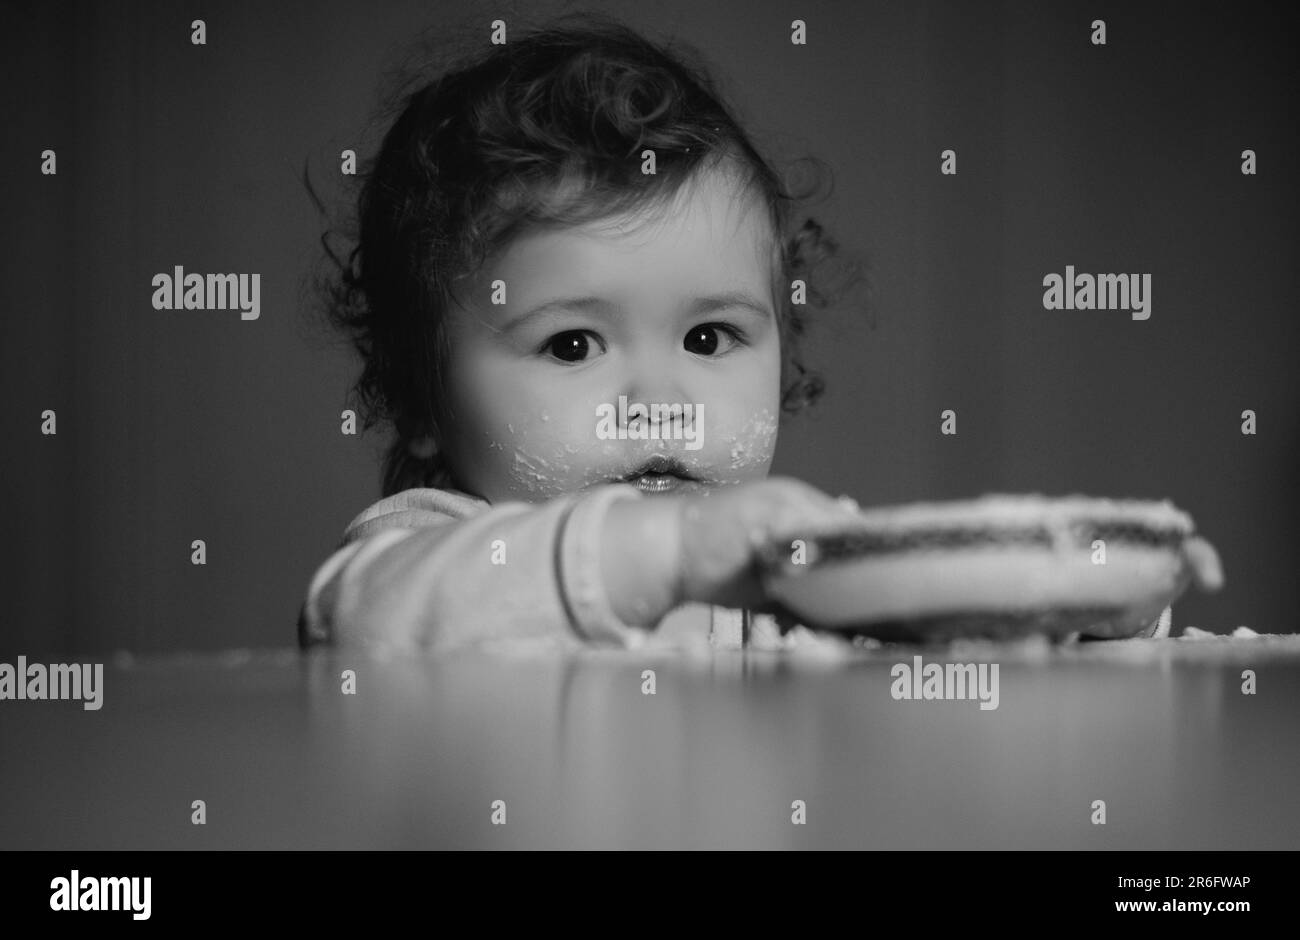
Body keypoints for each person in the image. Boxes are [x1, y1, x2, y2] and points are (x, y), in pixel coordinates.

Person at [299, 13, 863, 652]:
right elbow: (355, 622)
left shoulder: (780, 601)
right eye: (572, 345)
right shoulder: (433, 550)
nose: (658, 409)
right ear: (419, 398)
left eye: (707, 338)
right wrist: (669, 554)